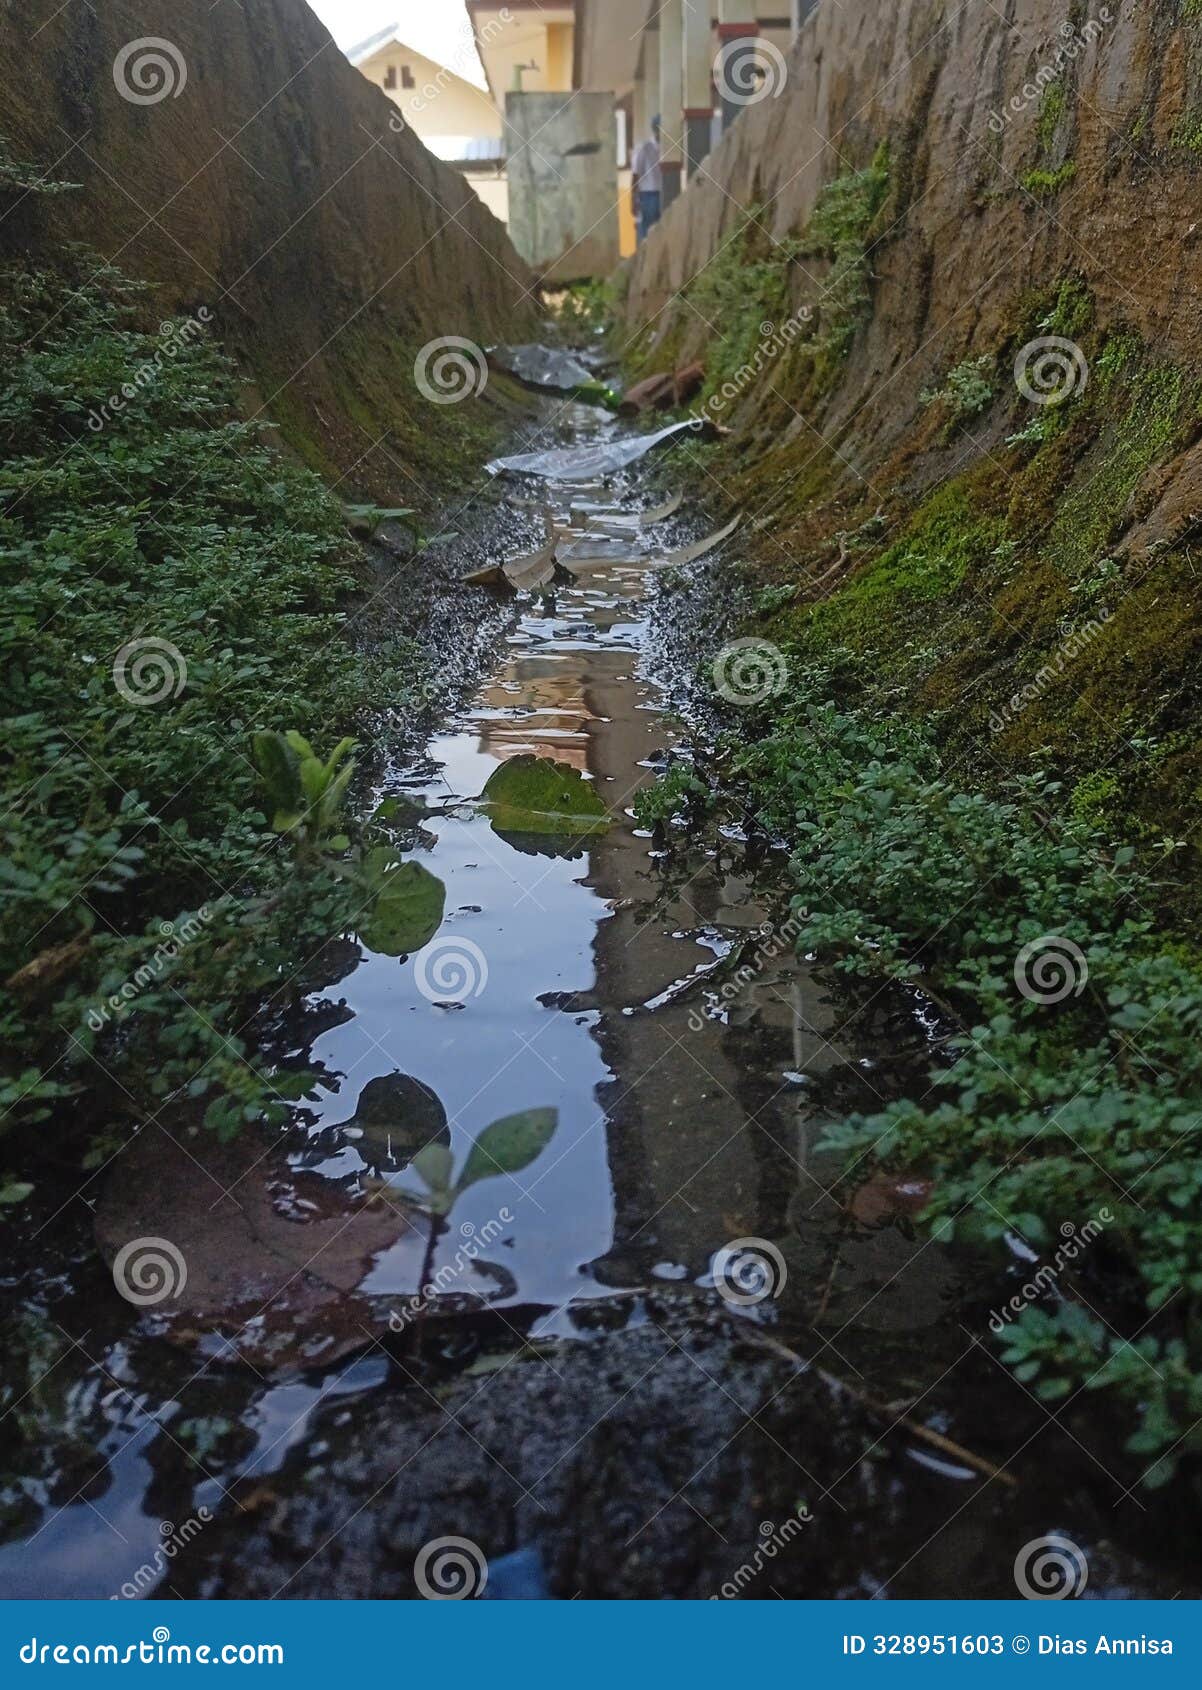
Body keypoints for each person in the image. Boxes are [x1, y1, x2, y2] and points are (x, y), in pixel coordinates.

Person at [631, 116, 662, 243]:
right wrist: (633, 199)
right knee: (648, 233)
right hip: (648, 195)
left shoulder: (670, 147)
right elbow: (635, 175)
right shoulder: (644, 148)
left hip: (664, 193)